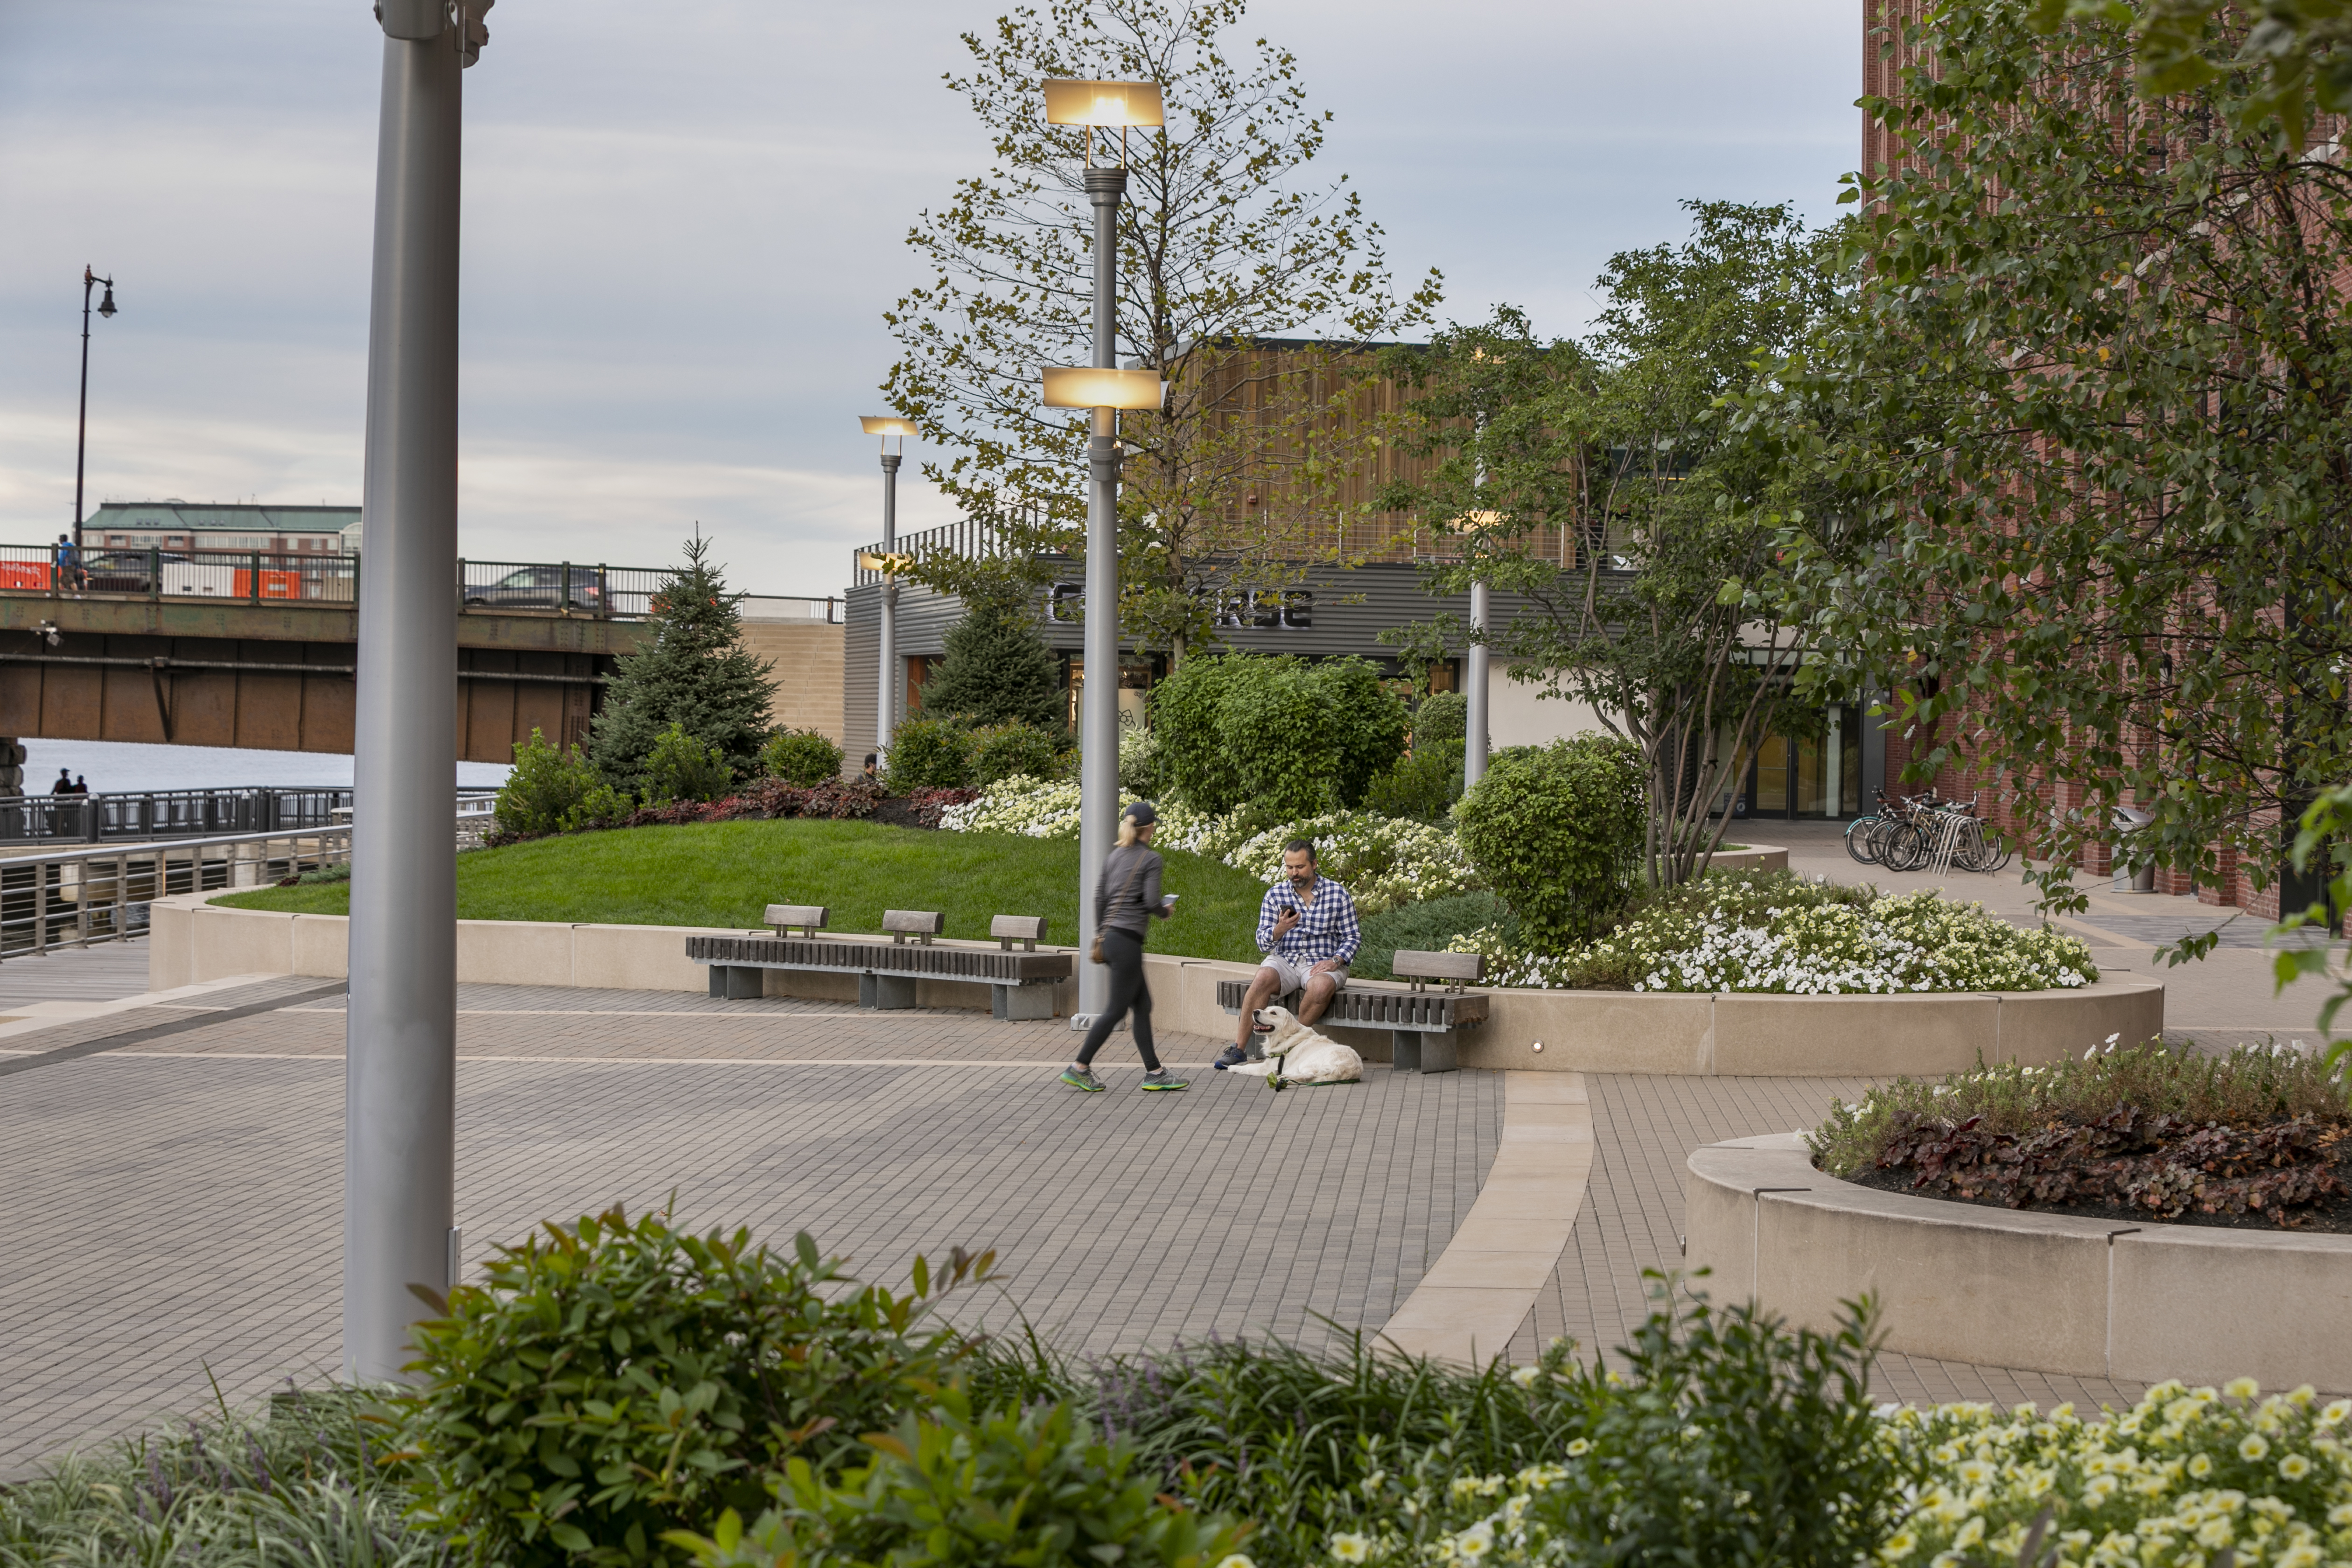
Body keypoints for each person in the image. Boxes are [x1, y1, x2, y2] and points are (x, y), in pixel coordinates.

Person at [1061, 800, 1187, 1092]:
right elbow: (1151, 900)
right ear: (1150, 827)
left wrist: (1102, 933)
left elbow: (1098, 898)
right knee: (1117, 1010)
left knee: (1143, 1005)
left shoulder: (1114, 856)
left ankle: (1155, 1072)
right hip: (1128, 942)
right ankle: (1080, 1066)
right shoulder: (1151, 859)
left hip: (1109, 939)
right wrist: (1165, 910)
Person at [1216, 838, 1360, 1070]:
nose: (1294, 873)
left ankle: (1290, 1048)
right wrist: (1279, 930)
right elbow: (1262, 943)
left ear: (1314, 864)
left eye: (1300, 867)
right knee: (1262, 978)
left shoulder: (1337, 894)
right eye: (1290, 867)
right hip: (1286, 959)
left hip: (1323, 962)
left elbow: (1352, 937)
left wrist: (1336, 961)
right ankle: (1239, 1049)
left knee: (1322, 987)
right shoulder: (1275, 895)